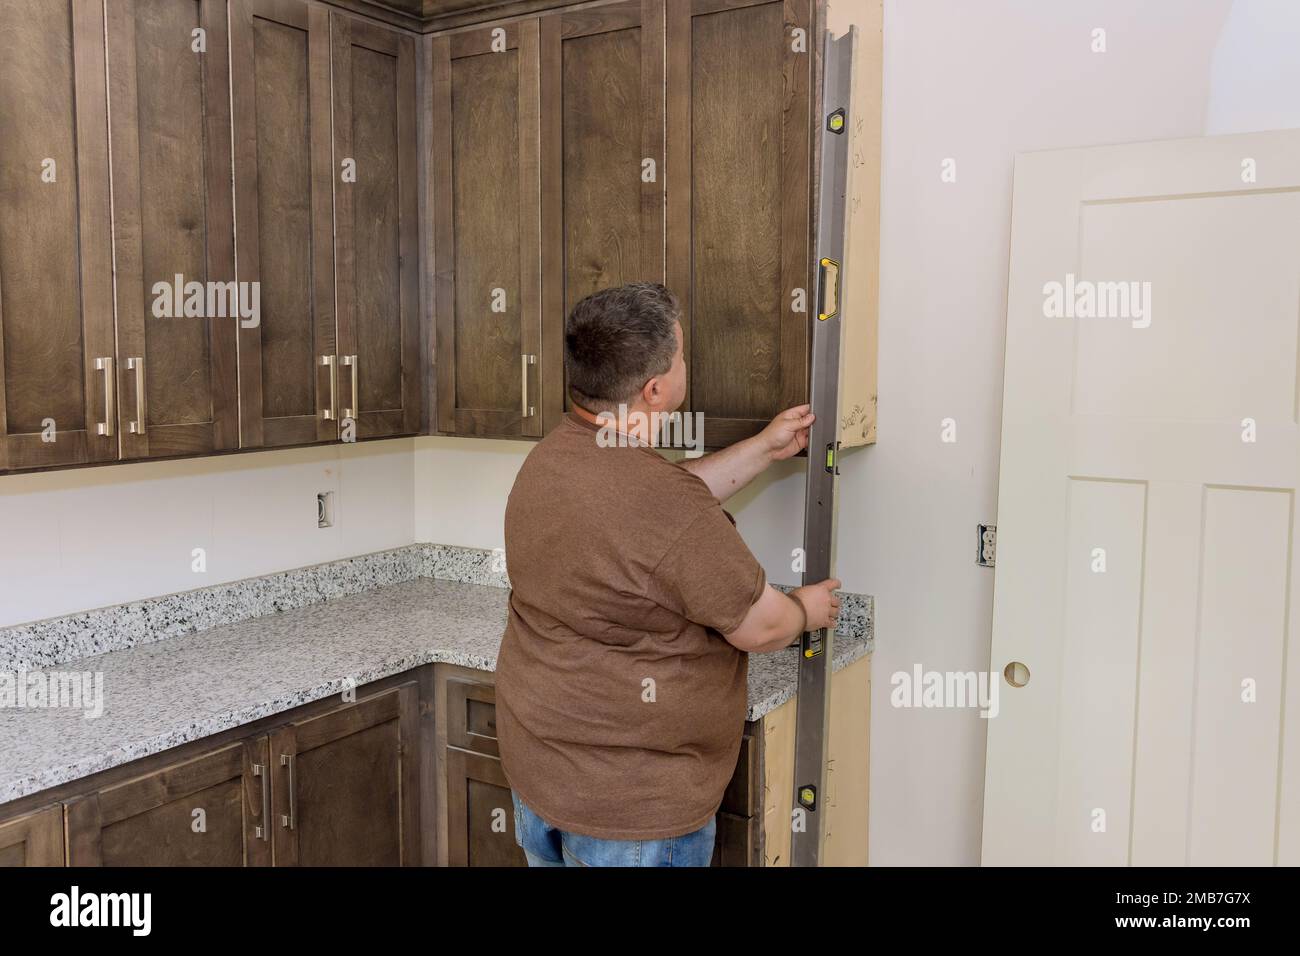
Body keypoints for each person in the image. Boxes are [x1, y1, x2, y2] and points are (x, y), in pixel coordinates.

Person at [495, 282, 841, 867]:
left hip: (540, 776)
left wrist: (762, 448)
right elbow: (761, 627)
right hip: (633, 814)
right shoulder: (659, 504)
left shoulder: (552, 458)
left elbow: (655, 514)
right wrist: (808, 610)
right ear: (657, 389)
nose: (687, 363)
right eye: (681, 355)